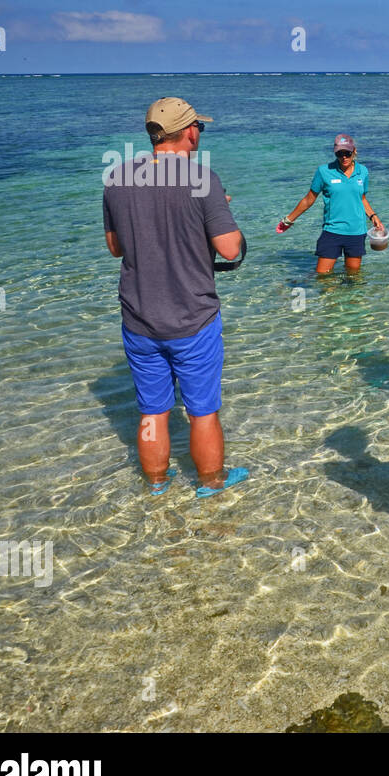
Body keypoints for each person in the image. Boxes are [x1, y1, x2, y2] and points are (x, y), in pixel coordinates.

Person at [103, 97, 249, 497]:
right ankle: (210, 483)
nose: (200, 132)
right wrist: (219, 214)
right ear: (187, 131)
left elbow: (116, 247)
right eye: (199, 126)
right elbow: (231, 250)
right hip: (192, 318)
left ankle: (155, 484)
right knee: (201, 411)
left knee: (152, 410)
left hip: (139, 318)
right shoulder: (203, 179)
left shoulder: (116, 178)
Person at [280, 134, 384, 274]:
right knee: (323, 277)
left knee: (353, 278)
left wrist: (373, 216)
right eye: (339, 154)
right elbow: (309, 199)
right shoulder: (324, 171)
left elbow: (362, 198)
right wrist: (288, 219)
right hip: (332, 231)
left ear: (354, 151)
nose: (344, 157)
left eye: (347, 153)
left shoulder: (363, 172)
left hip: (356, 231)